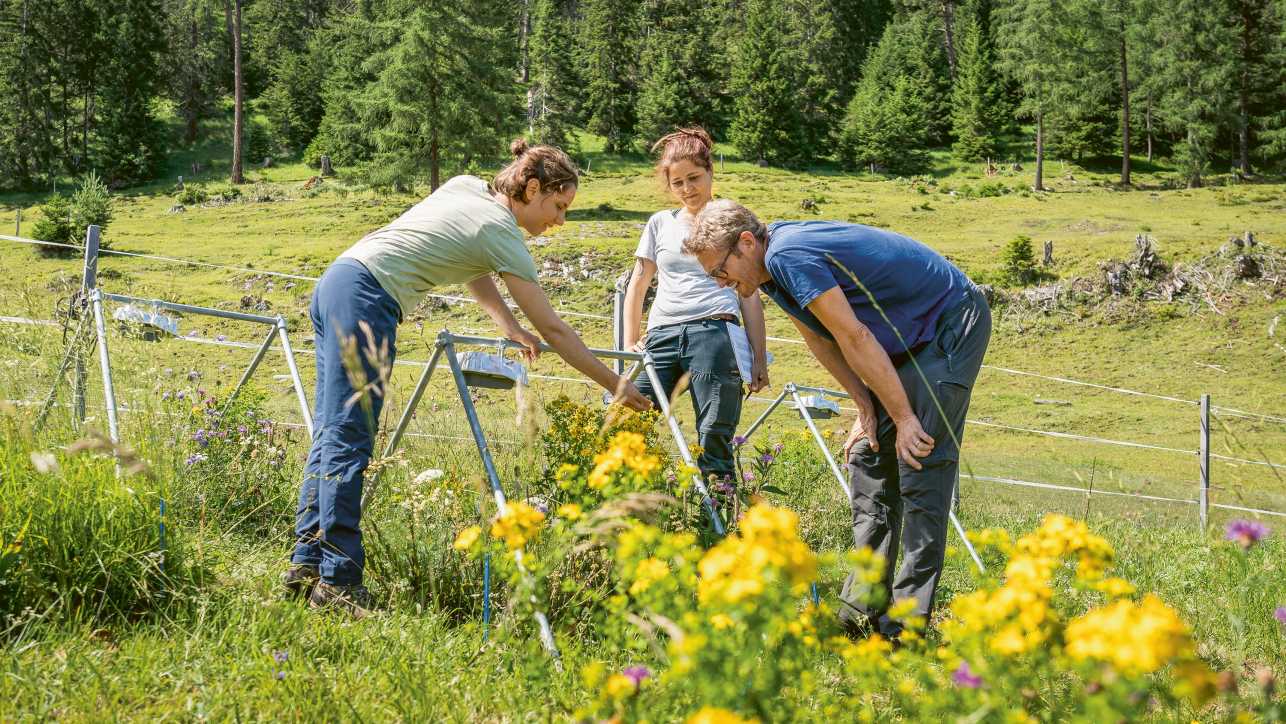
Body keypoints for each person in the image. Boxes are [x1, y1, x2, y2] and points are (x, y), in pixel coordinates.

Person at [284, 139, 651, 615]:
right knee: (349, 437)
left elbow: (472, 268)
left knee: (334, 432)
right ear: (532, 187)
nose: (560, 220)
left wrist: (507, 325)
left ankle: (307, 563)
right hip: (366, 299)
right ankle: (337, 582)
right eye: (558, 206)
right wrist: (616, 385)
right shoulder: (502, 231)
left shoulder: (468, 189)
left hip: (340, 280)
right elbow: (556, 330)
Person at [684, 199, 991, 639]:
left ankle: (904, 628)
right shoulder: (767, 274)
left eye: (719, 269)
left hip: (947, 323)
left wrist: (903, 417)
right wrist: (864, 407)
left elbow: (855, 334)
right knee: (868, 455)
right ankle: (860, 610)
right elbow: (823, 341)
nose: (720, 281)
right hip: (902, 345)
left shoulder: (787, 255)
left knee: (919, 459)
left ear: (746, 243)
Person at [622, 128, 769, 485]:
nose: (687, 189)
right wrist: (631, 338)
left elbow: (749, 293)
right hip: (662, 335)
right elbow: (639, 282)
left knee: (713, 431)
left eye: (694, 178)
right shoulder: (660, 223)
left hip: (714, 331)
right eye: (678, 183)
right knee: (629, 421)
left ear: (710, 173)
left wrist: (759, 357)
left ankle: (716, 524)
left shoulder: (733, 220)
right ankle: (624, 512)